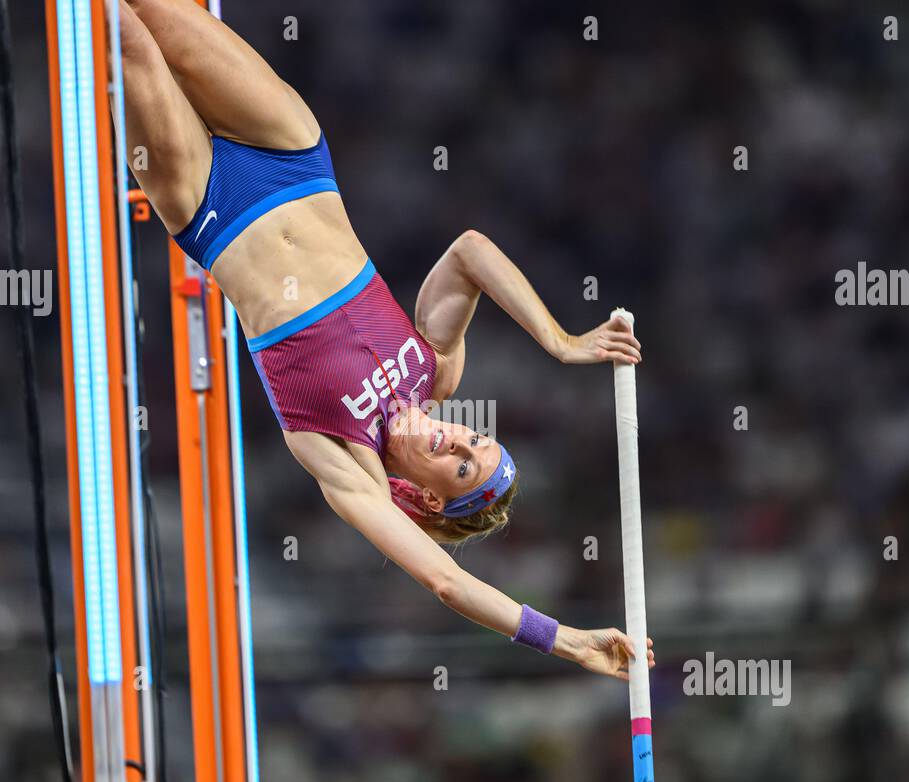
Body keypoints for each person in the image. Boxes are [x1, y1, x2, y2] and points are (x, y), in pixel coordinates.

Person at [111, 0, 652, 680]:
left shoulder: (350, 466)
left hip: (209, 210)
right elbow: (470, 252)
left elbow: (447, 583)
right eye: (477, 443)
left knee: (123, 32)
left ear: (428, 498)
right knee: (157, 12)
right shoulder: (437, 370)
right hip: (290, 158)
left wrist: (565, 640)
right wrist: (561, 341)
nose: (459, 440)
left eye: (461, 467)